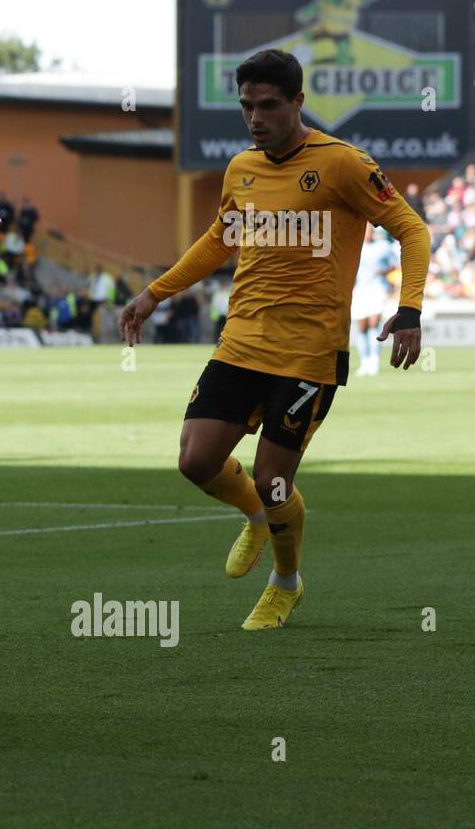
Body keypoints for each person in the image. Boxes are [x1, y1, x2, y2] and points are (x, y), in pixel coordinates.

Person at [118, 48, 429, 630]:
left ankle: (285, 583)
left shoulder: (342, 165)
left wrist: (408, 308)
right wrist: (155, 292)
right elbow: (219, 239)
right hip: (243, 341)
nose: (254, 117)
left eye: (267, 105)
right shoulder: (241, 170)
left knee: (274, 477)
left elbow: (411, 228)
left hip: (310, 351)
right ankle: (257, 517)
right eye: (246, 105)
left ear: (297, 103)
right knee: (195, 459)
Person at [350, 224, 397, 376]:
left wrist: (382, 272)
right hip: (360, 289)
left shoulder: (383, 246)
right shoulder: (355, 246)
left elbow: (394, 265)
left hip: (377, 288)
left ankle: (374, 360)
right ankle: (364, 362)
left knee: (374, 323)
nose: (367, 234)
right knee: (362, 327)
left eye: (369, 231)